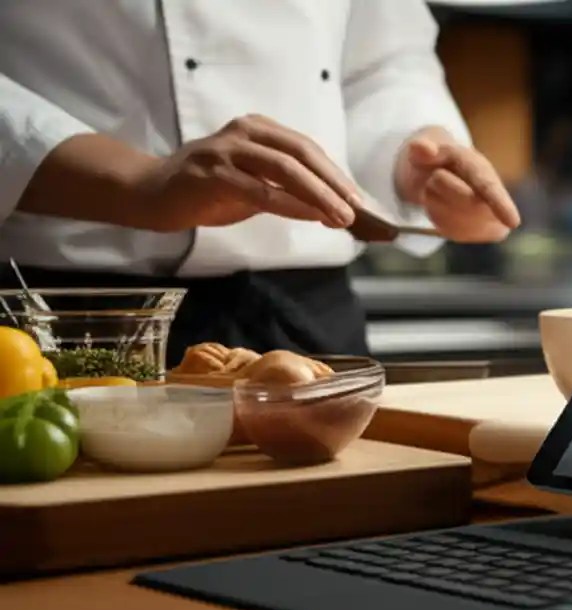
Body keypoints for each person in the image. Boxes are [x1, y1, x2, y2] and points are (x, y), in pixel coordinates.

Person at [0, 1, 519, 366]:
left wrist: (412, 155)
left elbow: (382, 63)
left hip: (308, 322)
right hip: (63, 320)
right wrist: (135, 182)